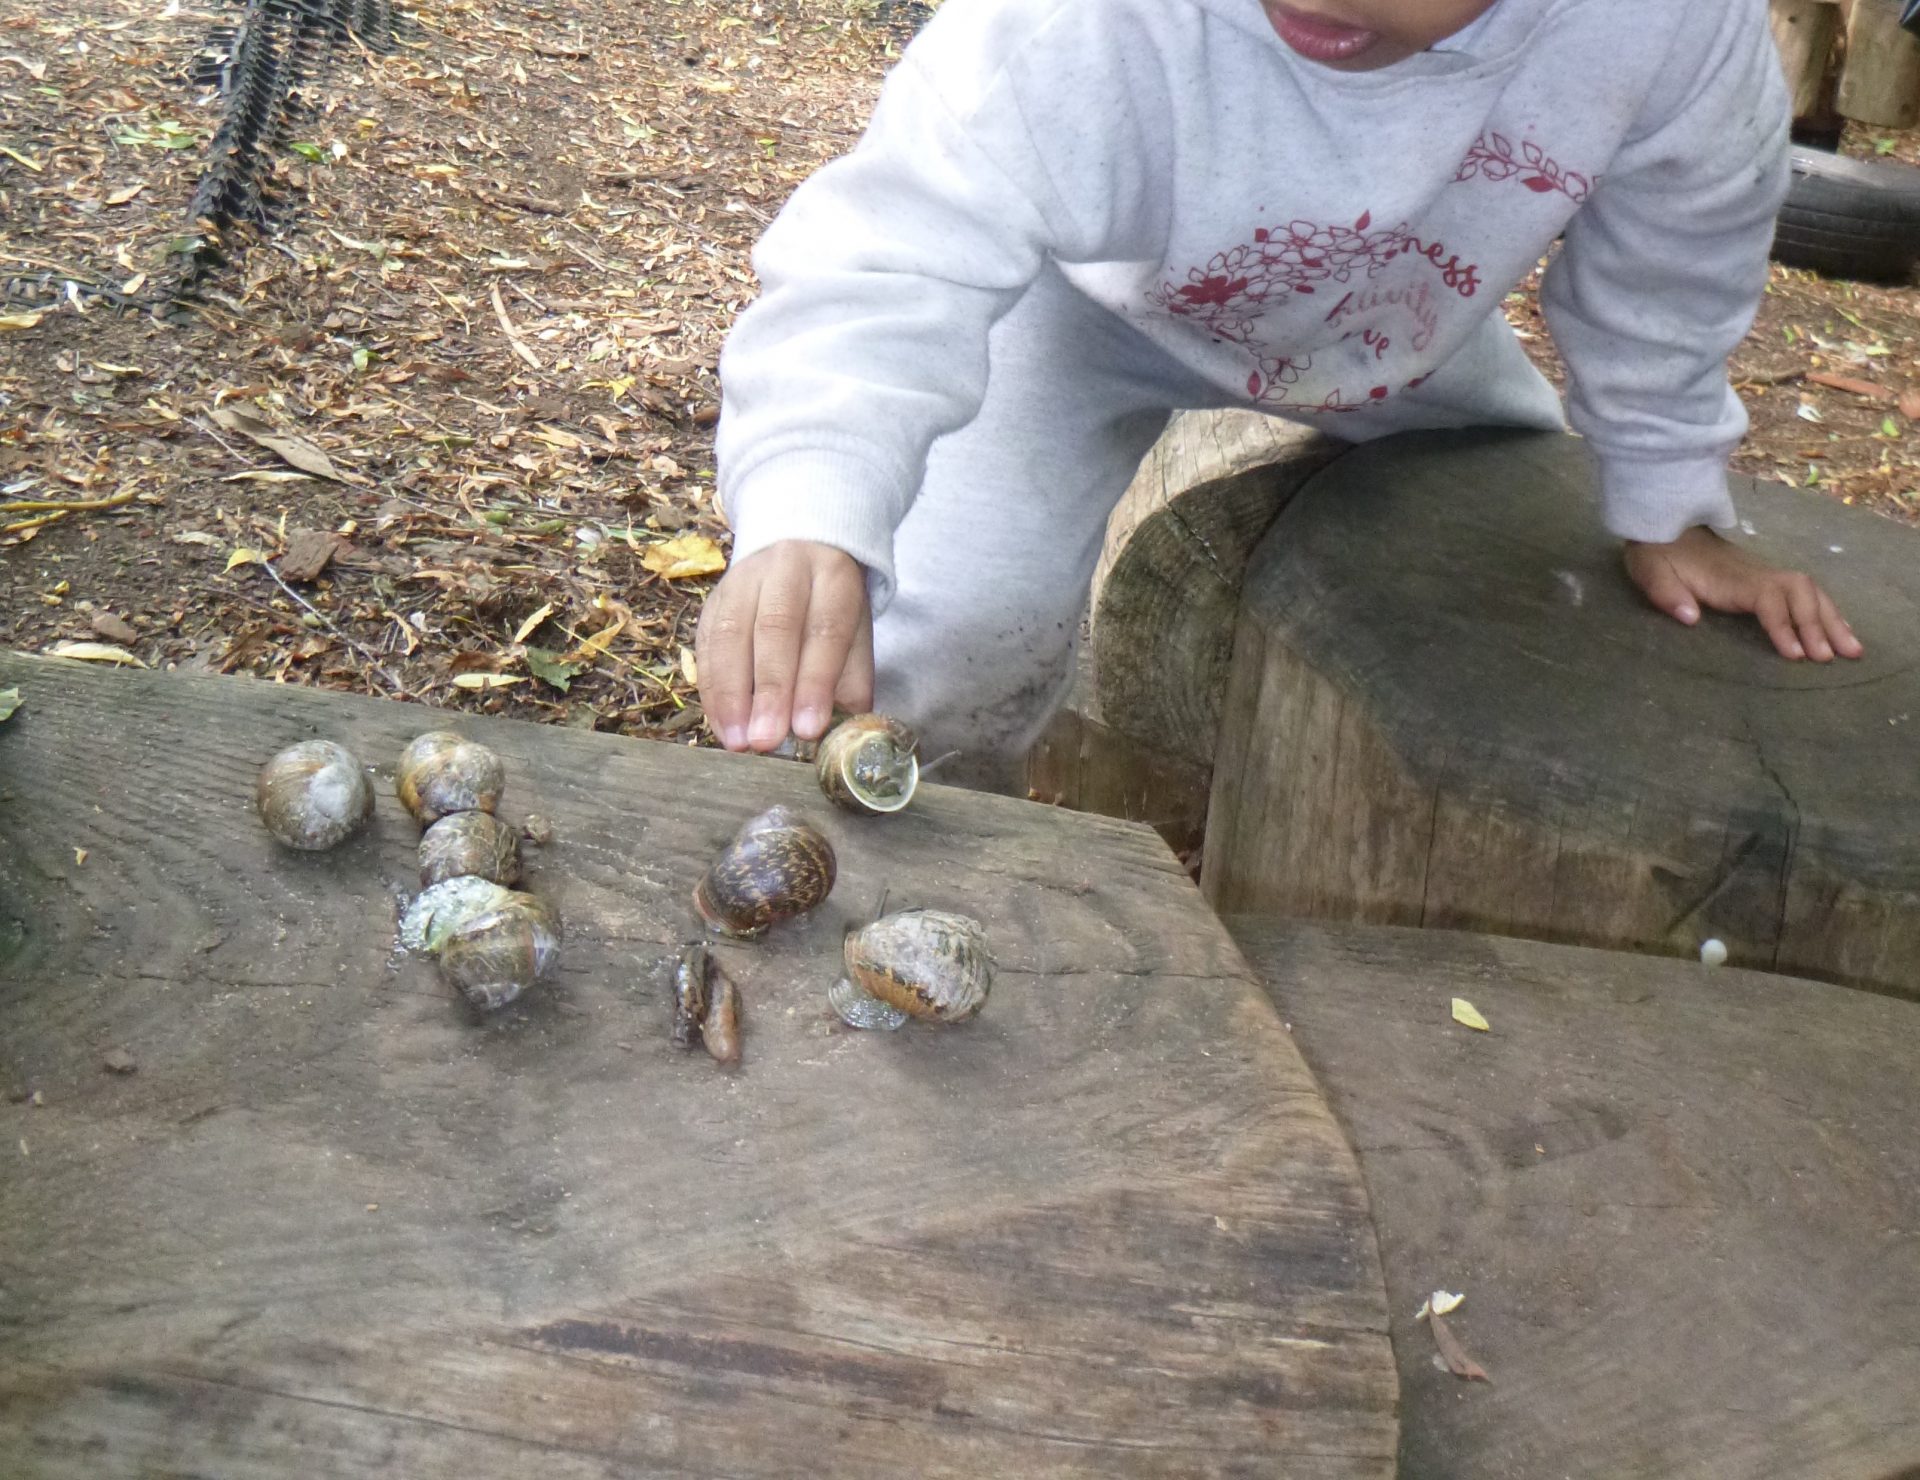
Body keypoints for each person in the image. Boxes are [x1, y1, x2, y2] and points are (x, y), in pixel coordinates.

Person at [694, 0, 1863, 782]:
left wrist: (1667, 486)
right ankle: (909, 839)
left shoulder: (1666, 27)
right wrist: (812, 499)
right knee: (938, 638)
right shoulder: (1072, 25)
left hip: (1398, 328)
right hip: (1079, 307)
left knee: (1517, 575)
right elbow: (890, 255)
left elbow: (1678, 251)